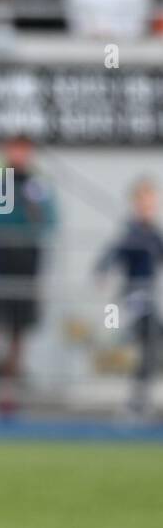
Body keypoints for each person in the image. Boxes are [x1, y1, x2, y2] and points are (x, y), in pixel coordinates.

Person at [0, 134, 57, 415]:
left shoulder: (38, 182)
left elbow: (50, 220)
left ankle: (8, 394)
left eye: (25, 149)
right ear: (6, 150)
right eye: (15, 148)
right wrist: (17, 204)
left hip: (25, 261)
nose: (20, 154)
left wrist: (31, 209)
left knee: (18, 329)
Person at [96, 177, 163, 415]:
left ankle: (139, 398)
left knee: (152, 346)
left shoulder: (153, 234)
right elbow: (112, 255)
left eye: (151, 201)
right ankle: (135, 401)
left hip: (148, 297)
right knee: (147, 343)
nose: (148, 206)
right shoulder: (131, 233)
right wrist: (102, 272)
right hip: (132, 299)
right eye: (143, 201)